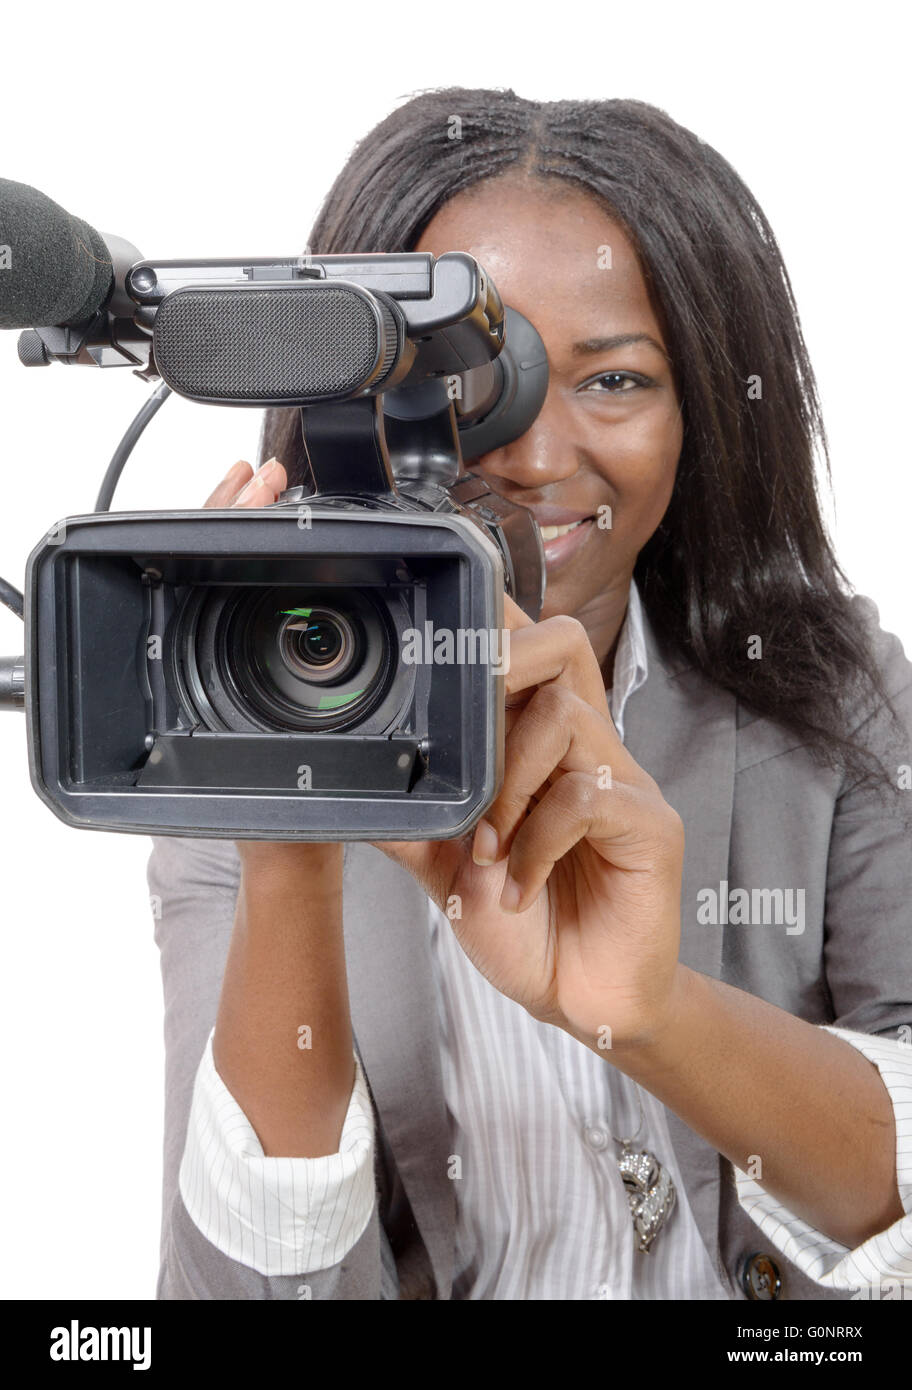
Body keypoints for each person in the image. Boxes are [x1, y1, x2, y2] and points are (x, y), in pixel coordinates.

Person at [149, 89, 912, 1301]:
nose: (541, 456)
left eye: (614, 382)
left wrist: (656, 1011)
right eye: (463, 385)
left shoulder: (834, 693)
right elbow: (250, 1291)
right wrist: (286, 845)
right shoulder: (237, 751)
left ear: (704, 408)